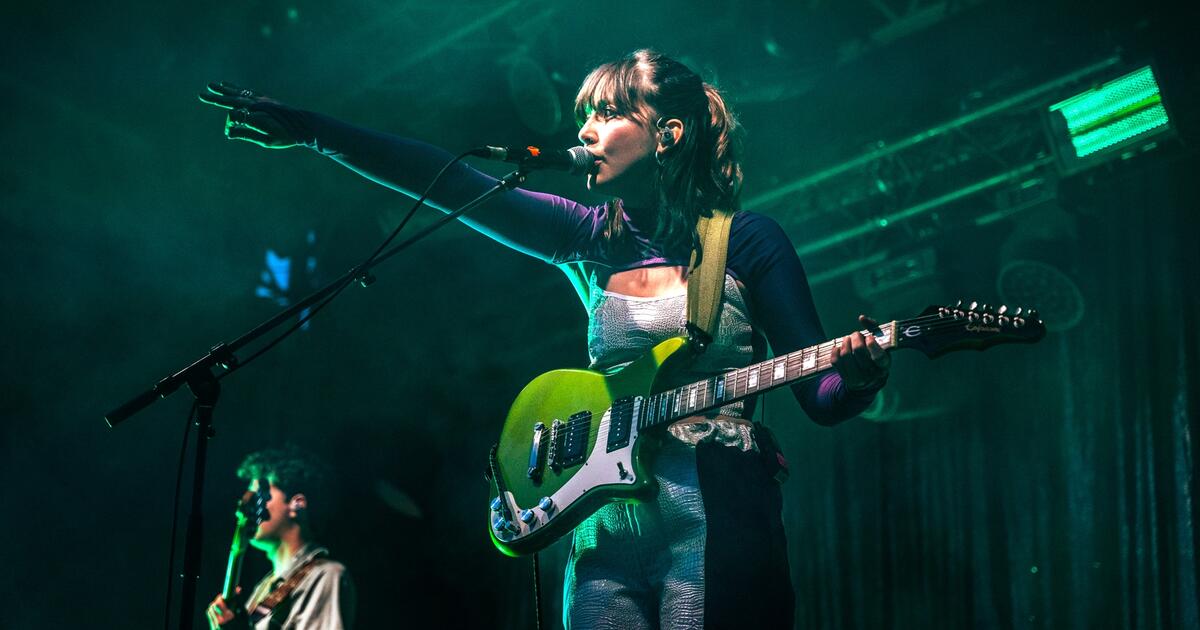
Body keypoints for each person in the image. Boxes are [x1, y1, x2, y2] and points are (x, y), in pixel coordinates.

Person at [200, 48, 889, 628]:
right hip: (602, 528)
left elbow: (819, 390)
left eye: (610, 112)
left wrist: (857, 377)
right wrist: (313, 131)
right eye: (584, 113)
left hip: (712, 510)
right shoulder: (586, 237)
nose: (585, 129)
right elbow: (445, 179)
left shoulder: (748, 241)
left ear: (669, 134)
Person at [206, 446, 355, 629]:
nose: (248, 506)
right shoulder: (263, 588)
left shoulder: (327, 575)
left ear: (297, 504)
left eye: (259, 496)